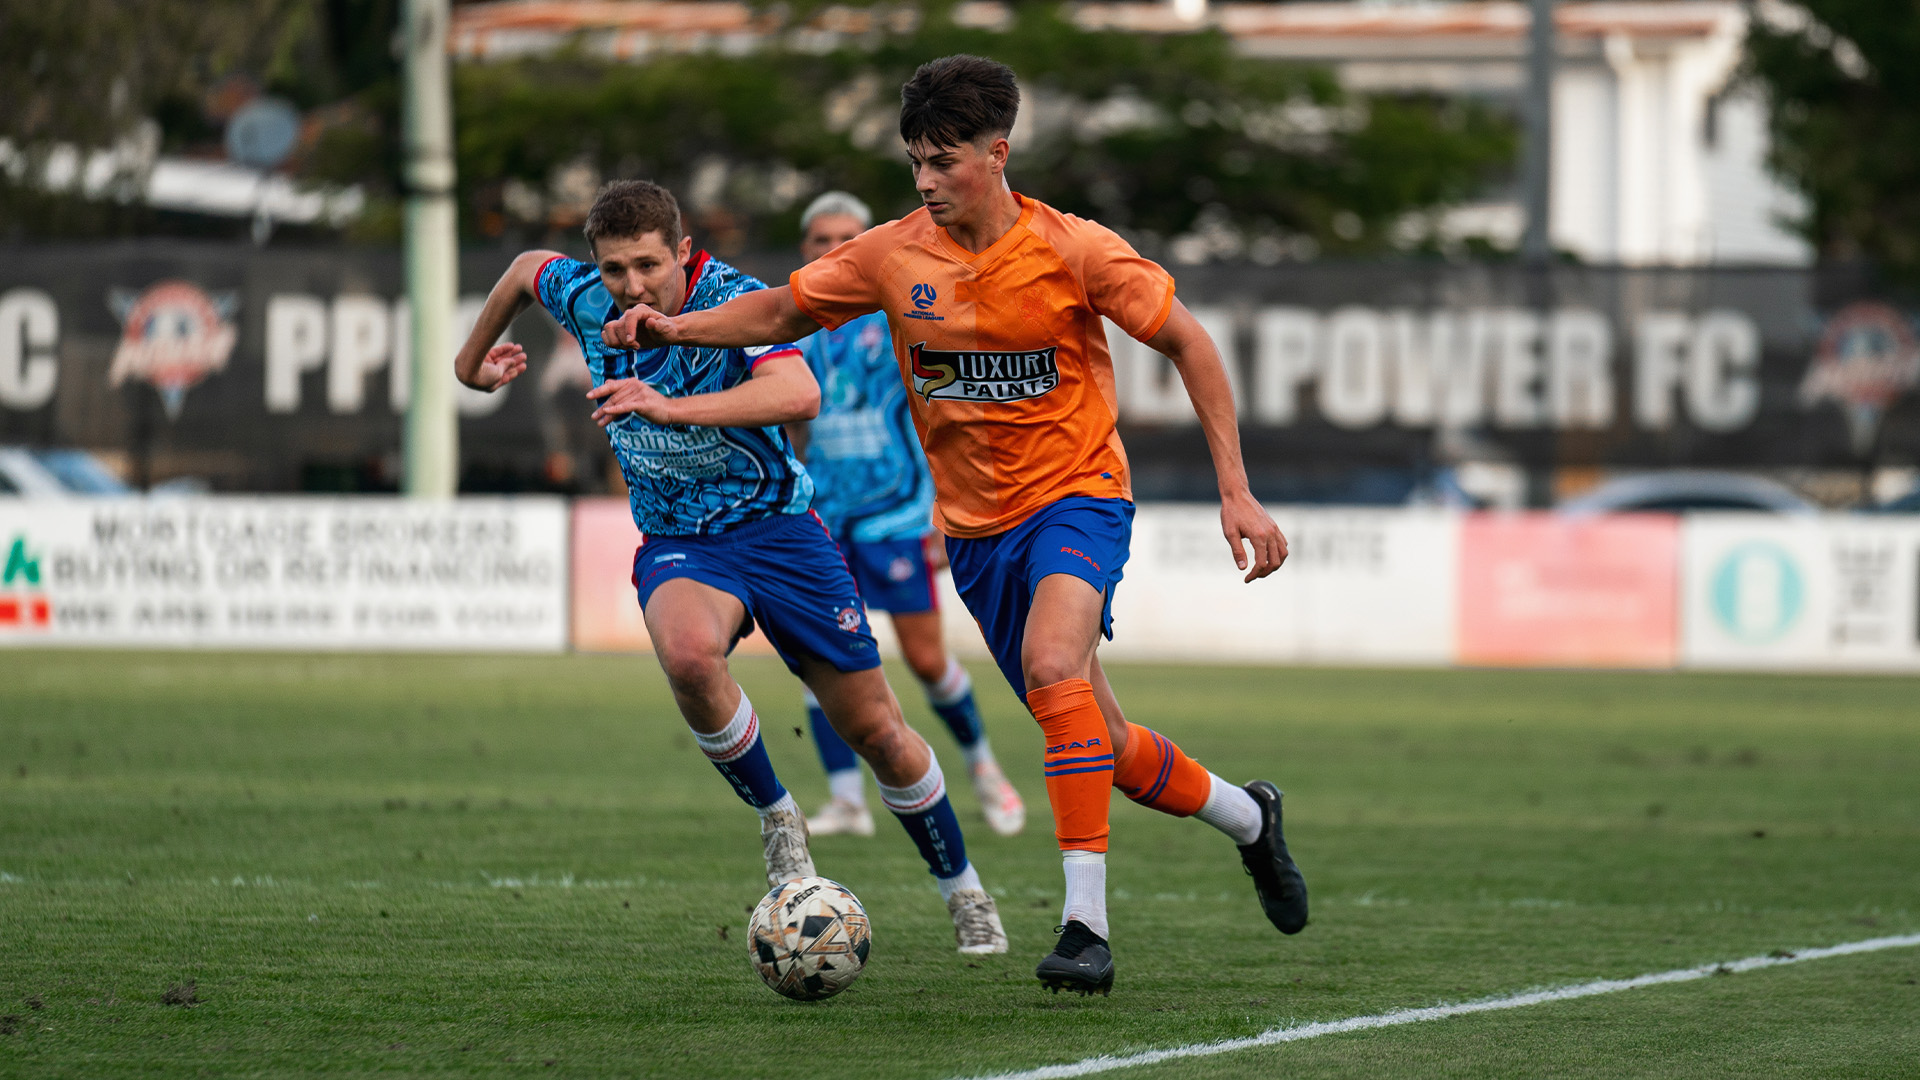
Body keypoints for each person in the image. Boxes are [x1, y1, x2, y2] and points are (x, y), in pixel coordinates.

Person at [603, 58, 1307, 995]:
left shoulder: (1076, 249)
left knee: (1055, 667)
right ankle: (1251, 820)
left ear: (998, 153)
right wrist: (673, 331)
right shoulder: (891, 255)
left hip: (1079, 498)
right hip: (976, 535)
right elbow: (781, 309)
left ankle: (1085, 929)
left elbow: (1190, 342)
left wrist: (1236, 488)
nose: (927, 180)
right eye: (914, 163)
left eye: (943, 161)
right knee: (1105, 740)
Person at [453, 179, 1007, 955]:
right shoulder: (586, 299)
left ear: (684, 252)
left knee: (878, 731)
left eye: (648, 265)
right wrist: (468, 365)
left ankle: (964, 889)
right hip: (685, 542)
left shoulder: (730, 299)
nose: (633, 287)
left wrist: (666, 405)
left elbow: (799, 390)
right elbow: (521, 268)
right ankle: (780, 819)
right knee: (686, 653)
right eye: (614, 270)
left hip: (782, 533)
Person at [788, 190, 1025, 840]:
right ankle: (847, 801)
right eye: (819, 240)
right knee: (821, 656)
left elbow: (948, 414)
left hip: (899, 517)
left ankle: (984, 769)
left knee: (924, 659)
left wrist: (950, 508)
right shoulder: (797, 330)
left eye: (847, 237)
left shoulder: (900, 313)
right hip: (825, 520)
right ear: (804, 250)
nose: (833, 249)